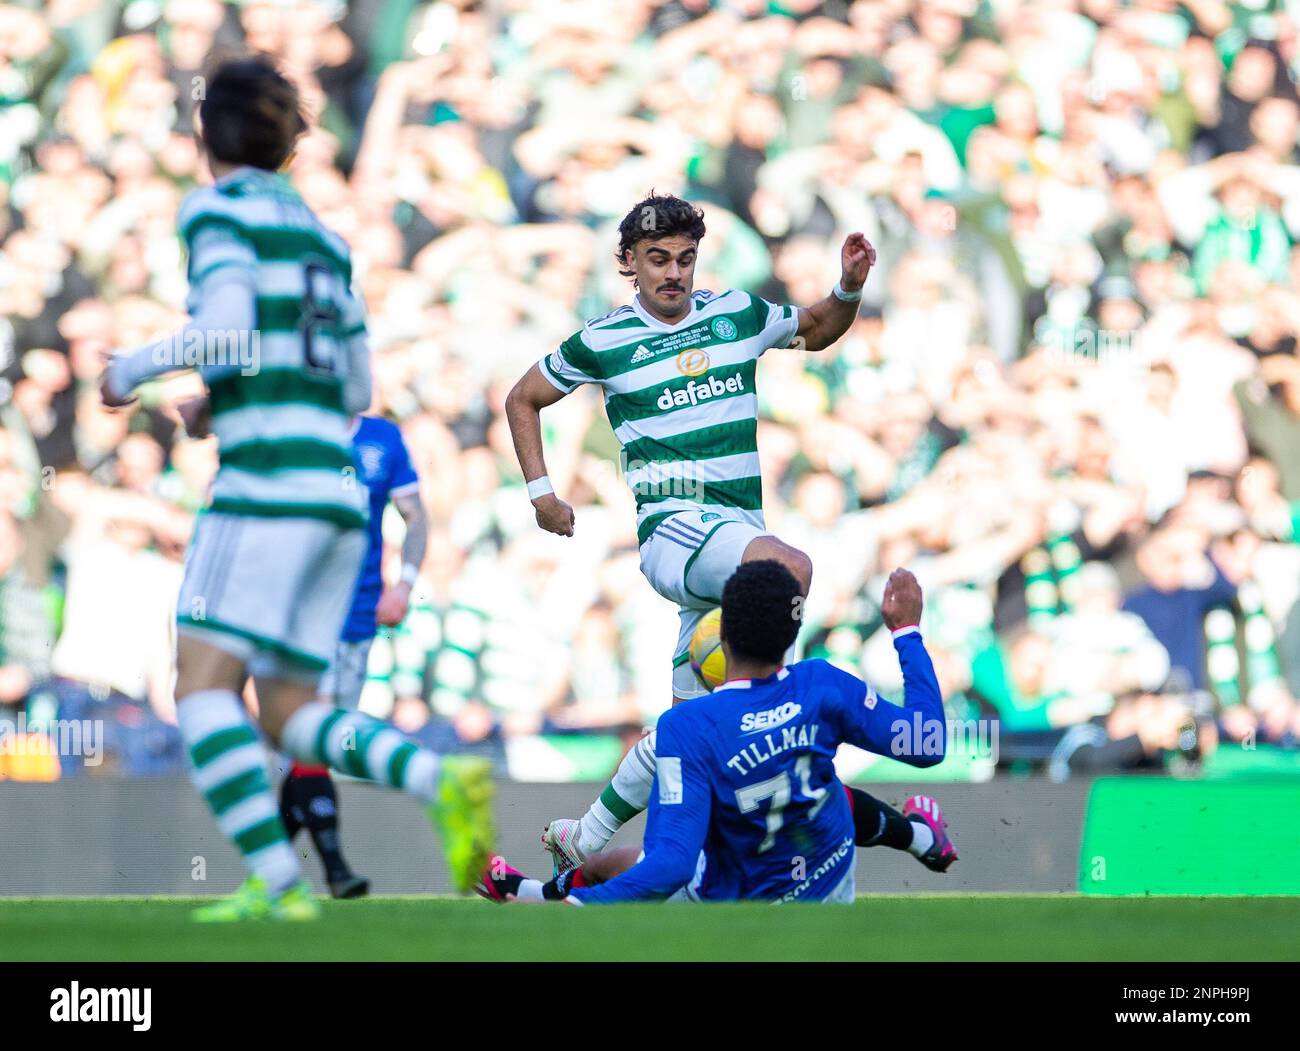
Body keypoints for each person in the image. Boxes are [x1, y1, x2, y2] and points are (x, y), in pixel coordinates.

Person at [99, 56, 493, 922]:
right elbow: (353, 386)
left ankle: (277, 881)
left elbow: (229, 327)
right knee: (285, 712)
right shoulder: (325, 237)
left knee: (200, 686)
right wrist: (224, 397)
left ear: (207, 133)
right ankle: (438, 775)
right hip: (336, 499)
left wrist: (130, 371)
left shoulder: (215, 211)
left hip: (263, 490)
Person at [504, 192, 876, 869]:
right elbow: (522, 396)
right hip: (673, 535)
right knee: (788, 567)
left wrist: (848, 285)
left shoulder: (735, 313)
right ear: (629, 264)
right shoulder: (604, 340)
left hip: (732, 543)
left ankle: (580, 843)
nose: (672, 273)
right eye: (656, 260)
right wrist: (541, 494)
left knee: (680, 753)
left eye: (684, 259)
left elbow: (818, 328)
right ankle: (777, 710)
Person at [480, 562, 954, 904]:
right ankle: (920, 837)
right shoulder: (822, 684)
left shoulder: (687, 726)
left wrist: (581, 908)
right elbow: (928, 743)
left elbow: (670, 867)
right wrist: (907, 632)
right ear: (791, 637)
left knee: (615, 864)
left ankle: (535, 897)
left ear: (719, 639)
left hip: (737, 909)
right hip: (827, 889)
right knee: (818, 786)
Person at [278, 413, 428, 899]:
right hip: (304, 613)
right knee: (313, 734)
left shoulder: (383, 439)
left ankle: (269, 875)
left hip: (361, 614)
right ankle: (337, 870)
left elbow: (416, 515)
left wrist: (404, 584)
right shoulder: (298, 431)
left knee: (316, 745)